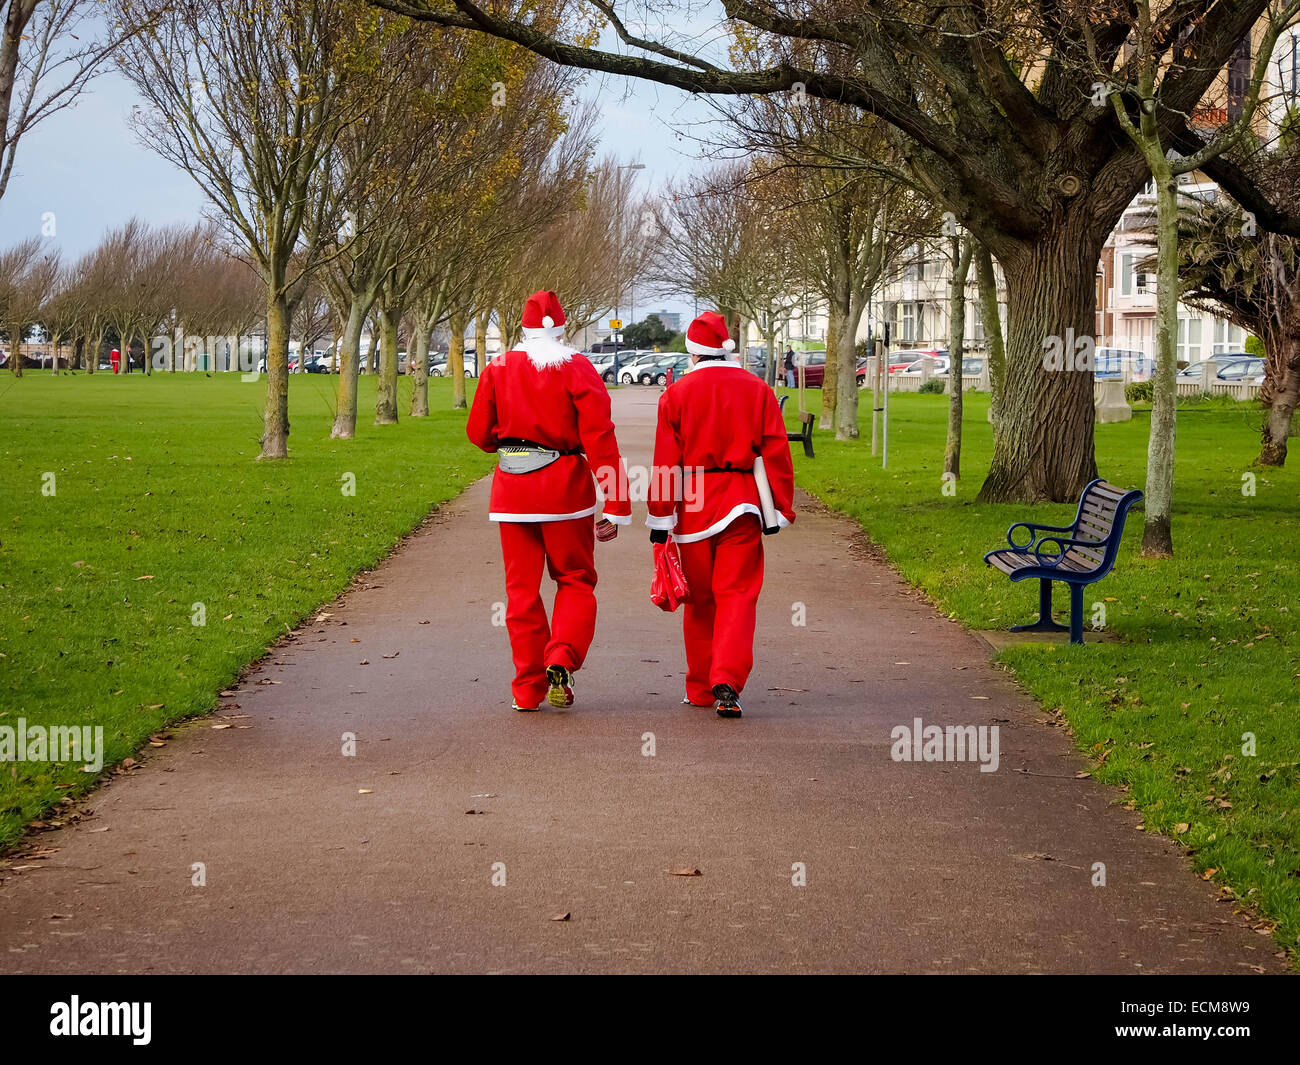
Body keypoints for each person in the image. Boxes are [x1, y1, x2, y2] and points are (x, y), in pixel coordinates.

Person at [467, 290, 631, 711]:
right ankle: (562, 656)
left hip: (512, 491)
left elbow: (478, 434)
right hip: (564, 493)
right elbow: (600, 436)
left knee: (520, 592)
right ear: (561, 327)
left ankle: (527, 689)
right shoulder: (577, 367)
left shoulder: (498, 366)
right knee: (575, 580)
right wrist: (615, 501)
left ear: (521, 327)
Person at [647, 311, 796, 718]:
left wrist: (660, 517)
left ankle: (698, 689)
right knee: (738, 595)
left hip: (693, 506)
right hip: (741, 501)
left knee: (699, 601)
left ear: (692, 353)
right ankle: (727, 678)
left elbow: (666, 462)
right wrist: (782, 506)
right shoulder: (757, 389)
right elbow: (776, 452)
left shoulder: (675, 395)